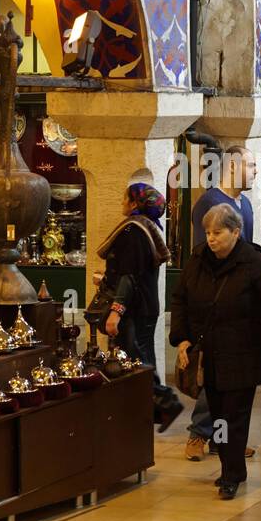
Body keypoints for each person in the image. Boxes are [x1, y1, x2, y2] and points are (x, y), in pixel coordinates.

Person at [171, 204, 261, 499]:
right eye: (208, 232)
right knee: (218, 413)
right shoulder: (198, 260)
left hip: (243, 352)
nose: (211, 238)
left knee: (235, 415)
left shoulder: (253, 262)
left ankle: (230, 474)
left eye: (218, 232)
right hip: (210, 352)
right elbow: (180, 299)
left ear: (236, 232)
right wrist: (182, 339)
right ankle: (232, 468)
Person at [184, 145, 259, 461]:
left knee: (235, 375)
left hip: (243, 301)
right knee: (215, 371)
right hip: (218, 300)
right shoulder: (211, 203)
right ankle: (199, 434)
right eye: (251, 165)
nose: (256, 171)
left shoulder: (245, 204)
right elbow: (209, 257)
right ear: (233, 166)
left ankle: (223, 438)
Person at [97, 182, 182, 429]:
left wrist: (116, 311)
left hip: (134, 309)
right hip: (146, 306)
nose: (122, 202)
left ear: (135, 203)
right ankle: (149, 411)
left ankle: (166, 403)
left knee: (136, 360)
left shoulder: (132, 231)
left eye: (125, 199)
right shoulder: (149, 227)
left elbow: (129, 276)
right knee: (142, 357)